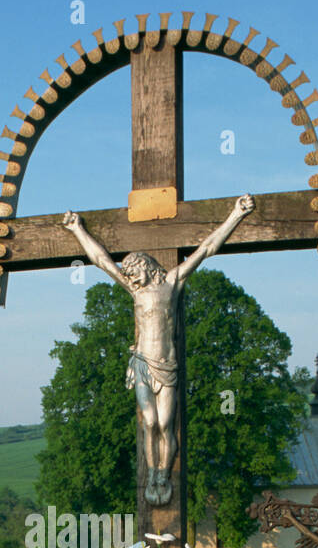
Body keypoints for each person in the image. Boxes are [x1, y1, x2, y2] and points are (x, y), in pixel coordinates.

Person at [63, 195, 255, 506]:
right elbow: (101, 261)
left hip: (168, 364)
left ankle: (165, 473)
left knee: (166, 424)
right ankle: (153, 472)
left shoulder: (172, 281)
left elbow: (206, 248)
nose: (130, 277)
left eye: (134, 271)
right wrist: (77, 230)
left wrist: (236, 215)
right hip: (141, 363)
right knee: (149, 424)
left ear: (146, 267)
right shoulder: (134, 291)